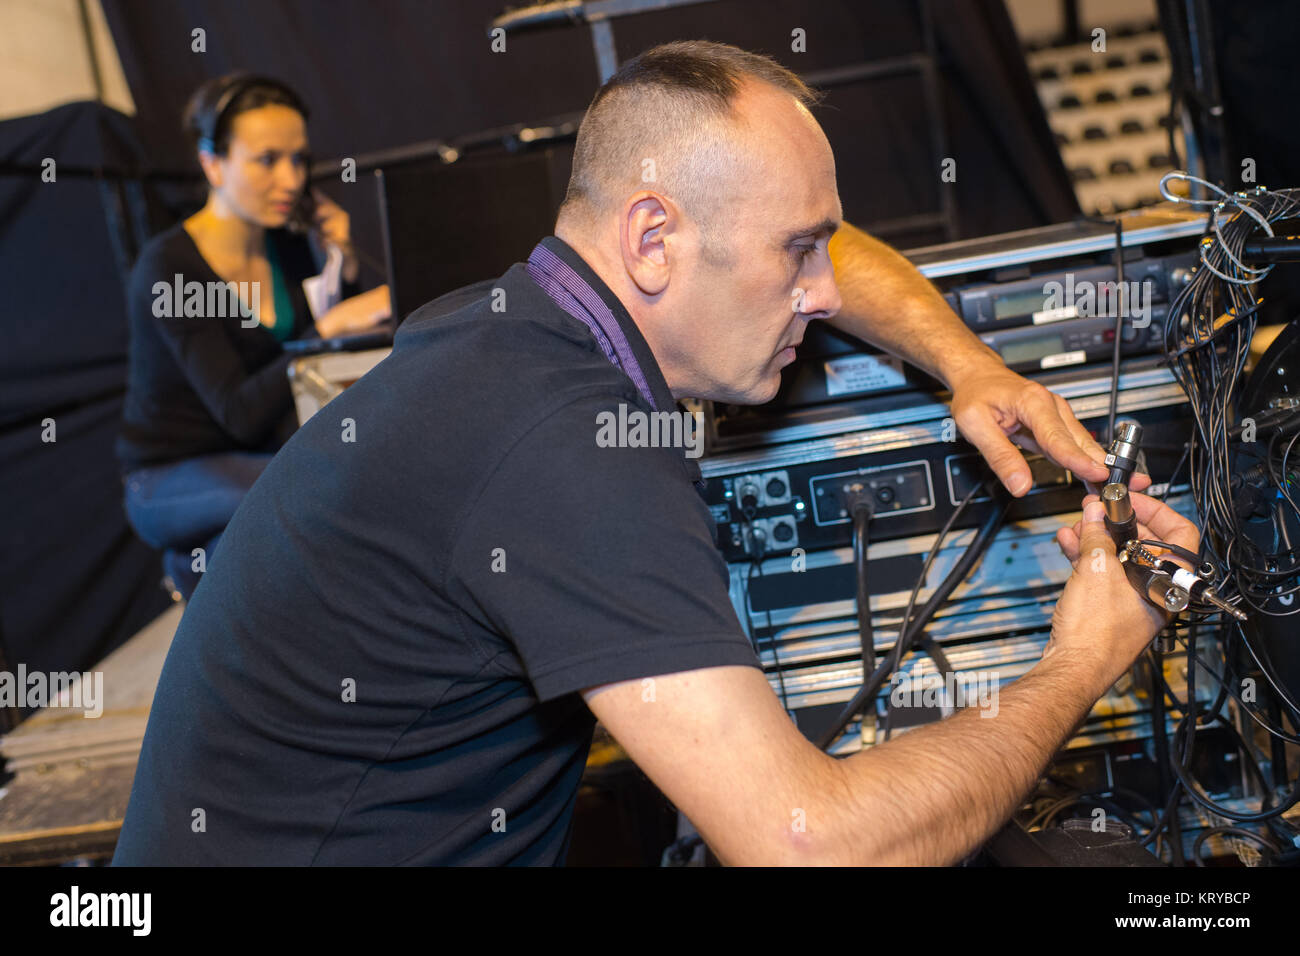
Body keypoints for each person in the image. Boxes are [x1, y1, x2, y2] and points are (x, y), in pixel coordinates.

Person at [112, 42, 1195, 866]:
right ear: (652, 239)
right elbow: (804, 843)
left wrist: (971, 368)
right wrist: (1080, 659)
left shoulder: (512, 323)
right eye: (796, 254)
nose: (822, 292)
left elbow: (803, 237)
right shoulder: (566, 443)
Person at [116, 74, 389, 587]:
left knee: (315, 506)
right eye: (267, 160)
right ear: (212, 163)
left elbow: (338, 364)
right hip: (169, 474)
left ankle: (197, 565)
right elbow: (239, 412)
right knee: (303, 495)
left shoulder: (284, 243)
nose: (291, 180)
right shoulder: (169, 267)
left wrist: (344, 266)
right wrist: (324, 329)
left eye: (299, 159)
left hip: (258, 456)